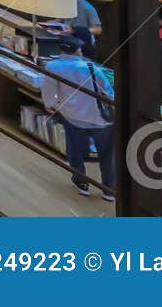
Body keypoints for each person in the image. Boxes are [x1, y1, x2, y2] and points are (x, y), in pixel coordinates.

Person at [41, 35, 116, 200]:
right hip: (99, 119)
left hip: (72, 116)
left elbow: (48, 91)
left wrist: (49, 104)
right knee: (107, 154)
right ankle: (109, 188)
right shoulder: (90, 67)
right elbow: (109, 92)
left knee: (75, 151)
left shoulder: (52, 66)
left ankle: (81, 182)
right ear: (78, 50)